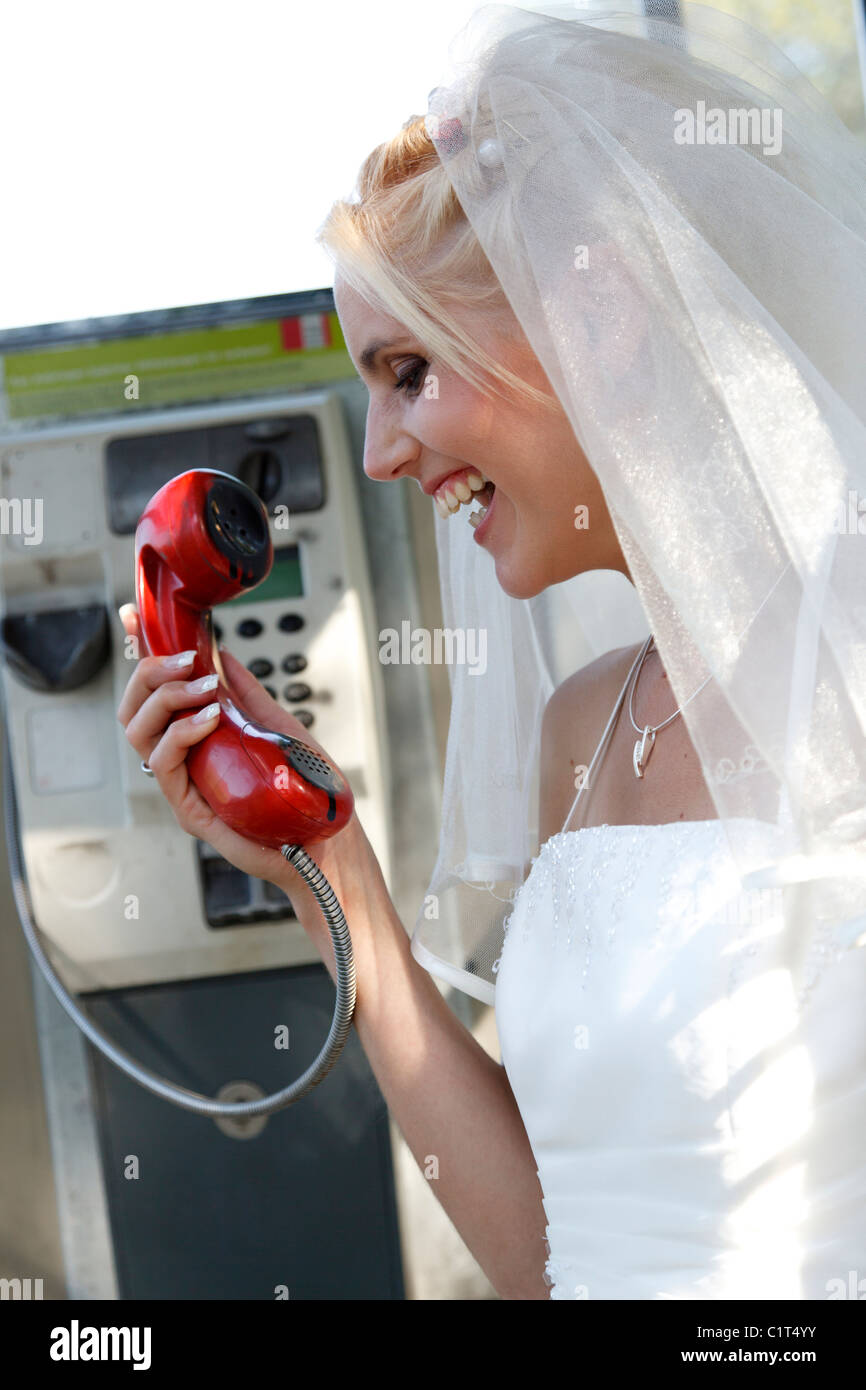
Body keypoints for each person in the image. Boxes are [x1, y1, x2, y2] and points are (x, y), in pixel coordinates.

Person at [118, 4, 866, 1299]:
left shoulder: (846, 660)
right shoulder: (581, 729)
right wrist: (330, 878)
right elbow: (553, 1258)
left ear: (598, 309)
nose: (376, 452)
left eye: (407, 370)